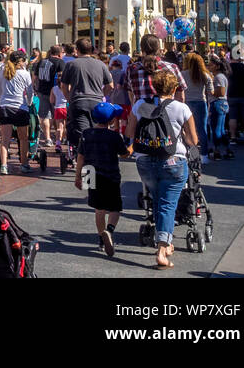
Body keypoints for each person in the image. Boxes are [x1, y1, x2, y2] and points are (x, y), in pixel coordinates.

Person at [125, 63, 198, 269]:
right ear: (174, 89)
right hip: (173, 161)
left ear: (154, 87)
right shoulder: (182, 108)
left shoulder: (140, 105)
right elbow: (193, 140)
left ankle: (164, 238)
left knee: (157, 199)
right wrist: (180, 135)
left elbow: (130, 134)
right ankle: (162, 248)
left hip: (145, 160)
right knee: (168, 203)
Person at [74, 101, 132, 257]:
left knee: (98, 208)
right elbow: (124, 154)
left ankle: (101, 238)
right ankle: (109, 230)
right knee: (115, 208)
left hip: (90, 173)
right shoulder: (114, 136)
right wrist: (133, 146)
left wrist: (77, 177)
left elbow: (81, 156)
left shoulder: (86, 134)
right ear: (111, 120)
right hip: (110, 174)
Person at [61, 38, 114, 155]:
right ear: (91, 49)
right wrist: (101, 95)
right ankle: (95, 155)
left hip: (79, 101)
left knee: (82, 133)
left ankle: (83, 158)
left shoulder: (71, 64)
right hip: (96, 103)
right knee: (97, 130)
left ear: (77, 50)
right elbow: (110, 85)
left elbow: (64, 86)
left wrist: (70, 98)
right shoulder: (101, 64)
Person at [0, 51, 33, 175]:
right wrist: (29, 103)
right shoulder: (25, 74)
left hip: (4, 107)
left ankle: (4, 166)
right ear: (21, 62)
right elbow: (30, 92)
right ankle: (24, 164)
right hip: (20, 107)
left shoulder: (3, 73)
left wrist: (3, 100)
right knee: (23, 138)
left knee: (5, 139)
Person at [180, 51, 214, 164]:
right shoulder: (205, 75)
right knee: (202, 129)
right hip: (200, 102)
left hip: (187, 103)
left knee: (187, 130)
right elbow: (210, 92)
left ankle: (189, 153)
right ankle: (204, 155)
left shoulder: (182, 74)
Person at [33, 46, 64, 146]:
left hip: (42, 91)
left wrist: (35, 87)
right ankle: (58, 137)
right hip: (56, 92)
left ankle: (48, 138)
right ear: (60, 54)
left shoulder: (41, 62)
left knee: (45, 116)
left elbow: (35, 77)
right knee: (57, 116)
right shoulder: (60, 62)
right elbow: (62, 77)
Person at [207, 54, 232, 159]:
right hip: (222, 103)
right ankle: (227, 149)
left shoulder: (218, 77)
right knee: (221, 129)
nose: (209, 67)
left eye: (211, 65)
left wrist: (211, 91)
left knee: (216, 128)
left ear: (217, 66)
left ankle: (217, 150)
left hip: (218, 102)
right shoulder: (220, 77)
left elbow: (221, 92)